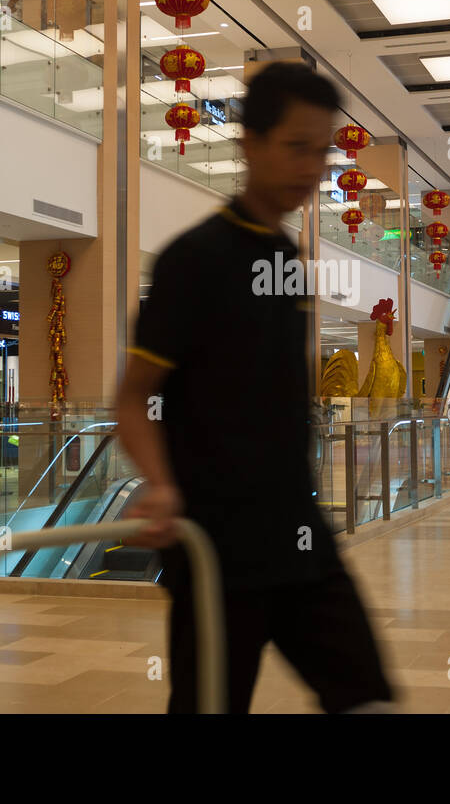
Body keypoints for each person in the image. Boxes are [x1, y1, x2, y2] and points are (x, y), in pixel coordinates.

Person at [116, 62, 394, 714]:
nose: (310, 168)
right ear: (249, 144)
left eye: (321, 152)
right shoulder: (194, 260)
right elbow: (133, 398)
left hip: (298, 533)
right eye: (296, 146)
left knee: (365, 694)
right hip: (215, 549)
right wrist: (160, 483)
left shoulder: (290, 260)